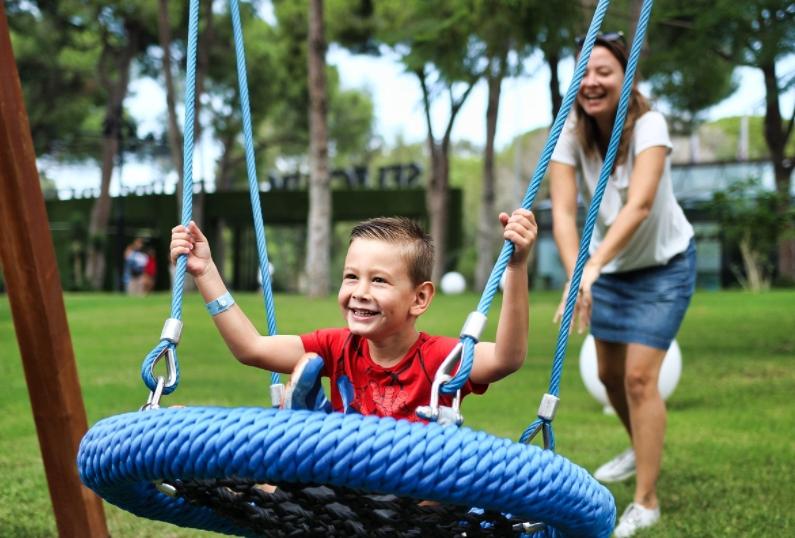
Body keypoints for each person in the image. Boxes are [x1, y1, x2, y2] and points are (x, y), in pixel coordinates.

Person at [169, 210, 537, 422]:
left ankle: (310, 420)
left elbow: (507, 358)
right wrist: (206, 273)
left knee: (442, 477)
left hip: (414, 498)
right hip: (346, 495)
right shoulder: (335, 347)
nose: (359, 292)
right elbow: (251, 348)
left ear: (419, 298)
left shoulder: (441, 360)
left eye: (379, 280)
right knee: (270, 475)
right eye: (351, 277)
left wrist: (517, 268)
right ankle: (306, 423)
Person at [549, 32, 696, 537]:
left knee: (638, 379)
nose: (591, 82)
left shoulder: (650, 124)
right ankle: (640, 447)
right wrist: (577, 277)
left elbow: (639, 205)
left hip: (664, 266)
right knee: (611, 379)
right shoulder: (570, 130)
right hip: (608, 270)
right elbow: (564, 213)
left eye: (604, 71)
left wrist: (592, 267)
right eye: (584, 73)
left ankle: (647, 499)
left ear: (626, 77)